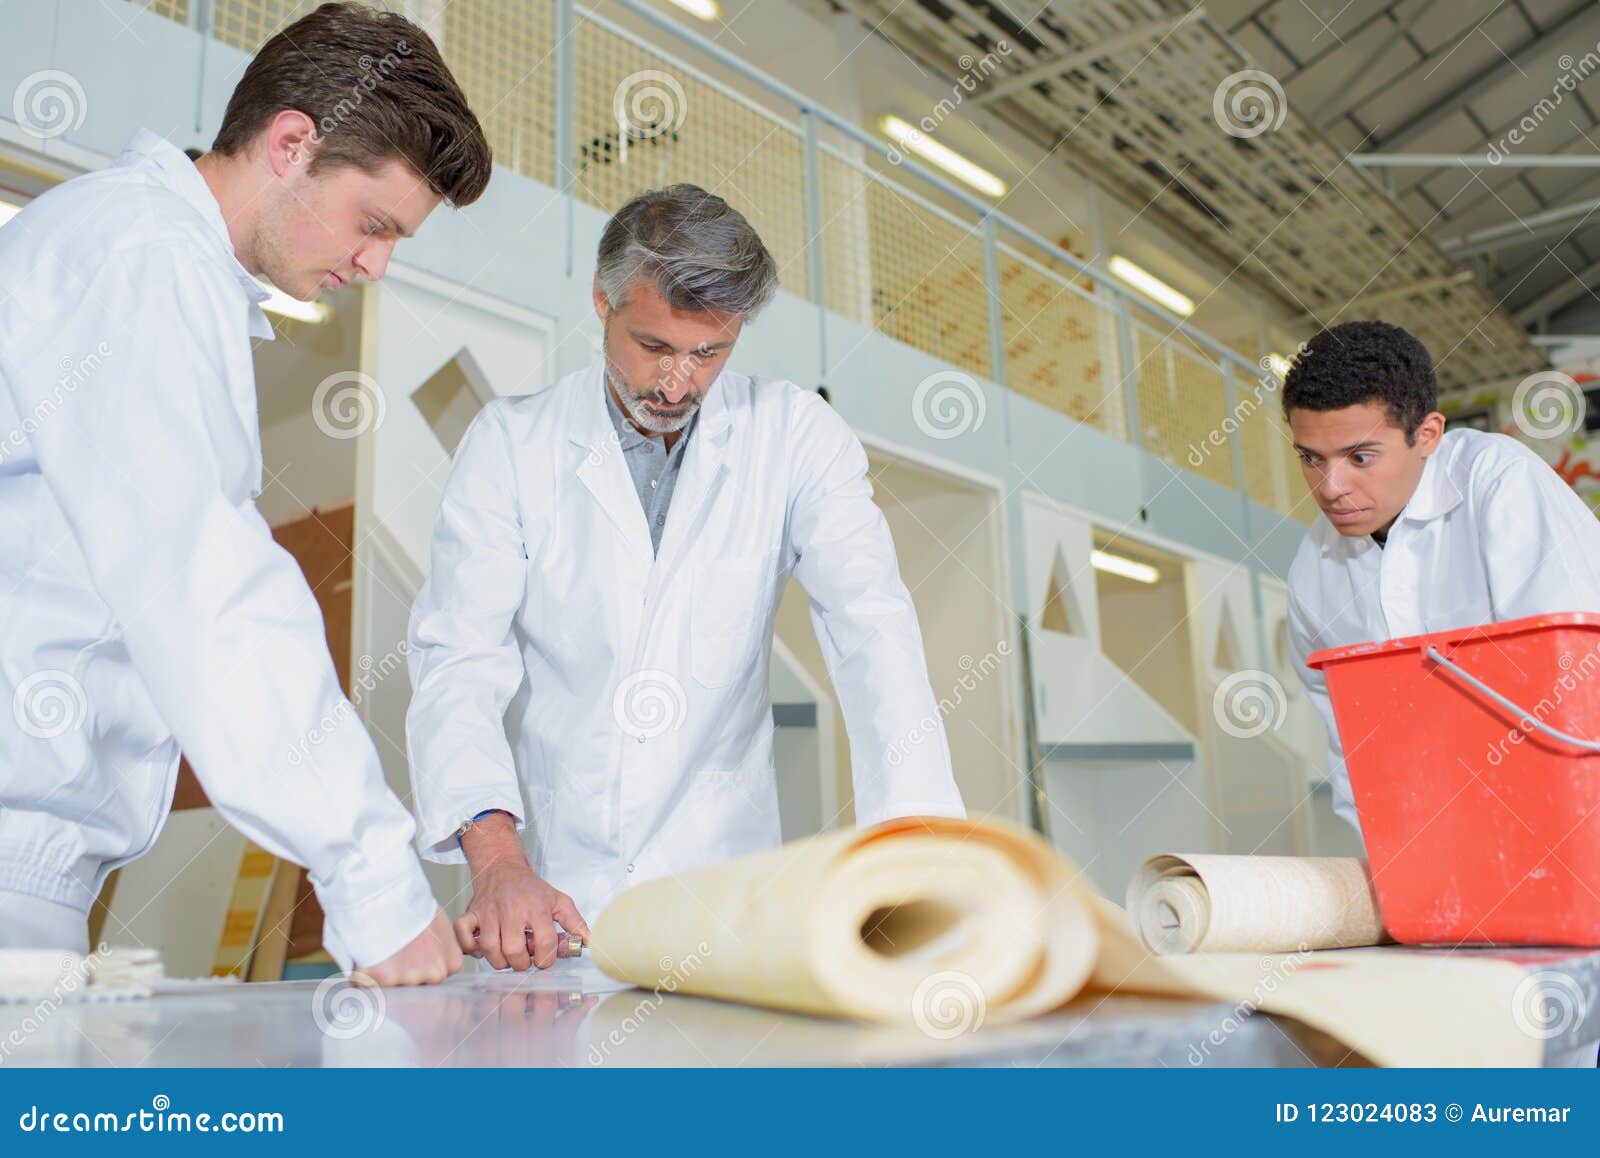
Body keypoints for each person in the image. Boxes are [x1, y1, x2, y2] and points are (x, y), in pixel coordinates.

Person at [0, 2, 493, 984]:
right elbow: (202, 581)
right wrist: (372, 878)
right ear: (290, 142)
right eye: (373, 224)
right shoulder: (139, 258)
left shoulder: (157, 264)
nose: (375, 264)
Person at [406, 184, 967, 971]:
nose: (677, 384)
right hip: (557, 896)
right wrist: (498, 863)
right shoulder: (512, 444)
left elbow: (872, 627)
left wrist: (921, 854)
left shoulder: (794, 435)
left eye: (710, 353)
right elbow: (460, 657)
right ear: (601, 301)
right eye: (655, 347)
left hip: (722, 894)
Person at [1284, 321, 1600, 839]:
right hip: (1443, 838)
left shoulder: (1500, 485)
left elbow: (1575, 682)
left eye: (1360, 457)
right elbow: (1353, 749)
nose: (1331, 488)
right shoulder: (1313, 574)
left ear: (1427, 435)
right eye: (1311, 459)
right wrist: (1395, 862)